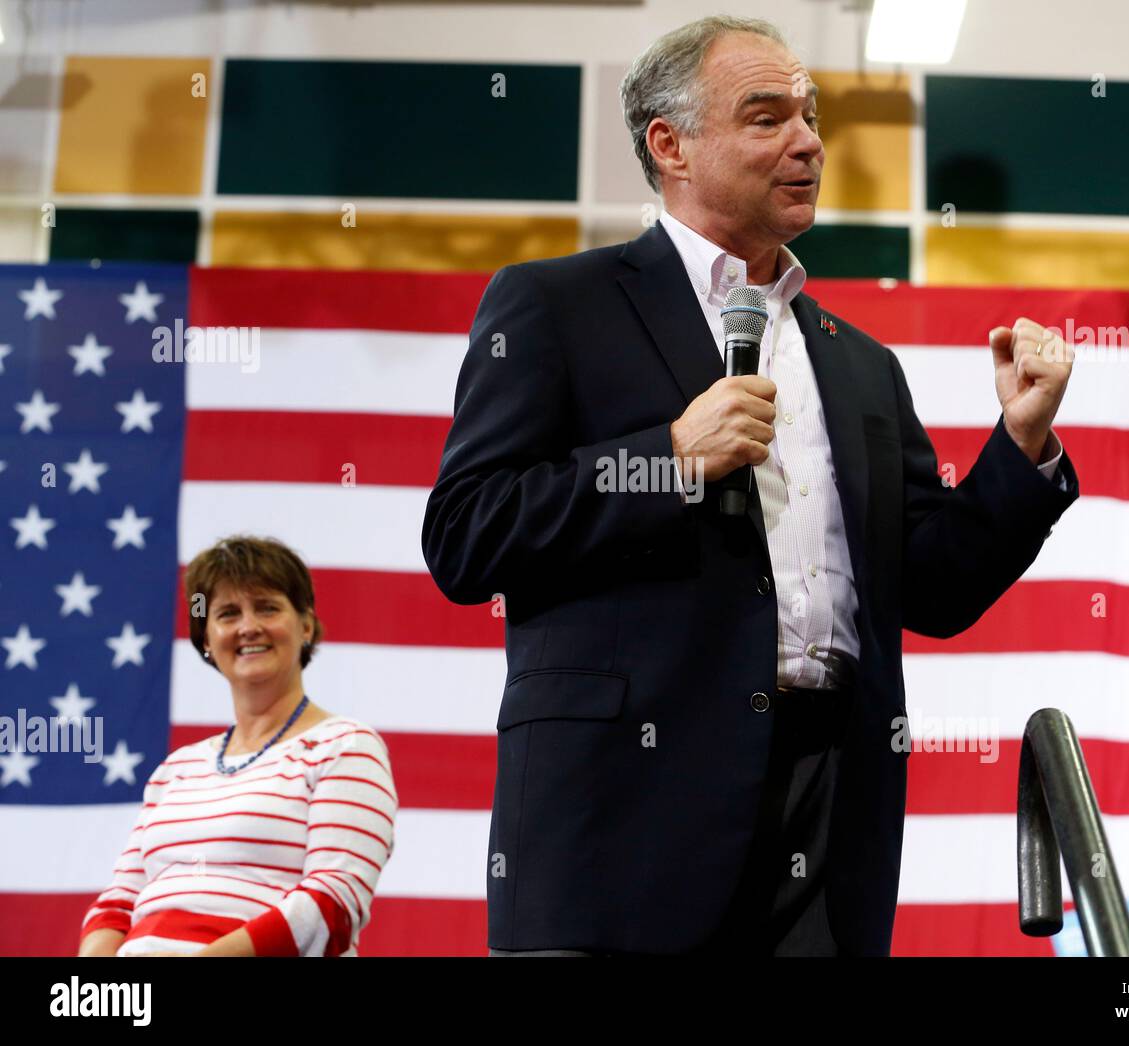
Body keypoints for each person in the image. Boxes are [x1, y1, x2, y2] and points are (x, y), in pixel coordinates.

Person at [421, 16, 1078, 956]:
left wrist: (1022, 443)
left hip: (828, 812)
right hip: (622, 827)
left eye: (809, 117)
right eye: (767, 117)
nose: (808, 141)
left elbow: (931, 587)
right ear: (670, 144)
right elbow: (465, 534)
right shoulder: (553, 304)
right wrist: (669, 456)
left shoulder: (859, 363)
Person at [78, 536, 397, 957]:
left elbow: (330, 905)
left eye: (267, 607)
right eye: (228, 613)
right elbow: (117, 906)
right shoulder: (176, 769)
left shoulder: (347, 746)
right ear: (205, 638)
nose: (249, 626)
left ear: (305, 624)